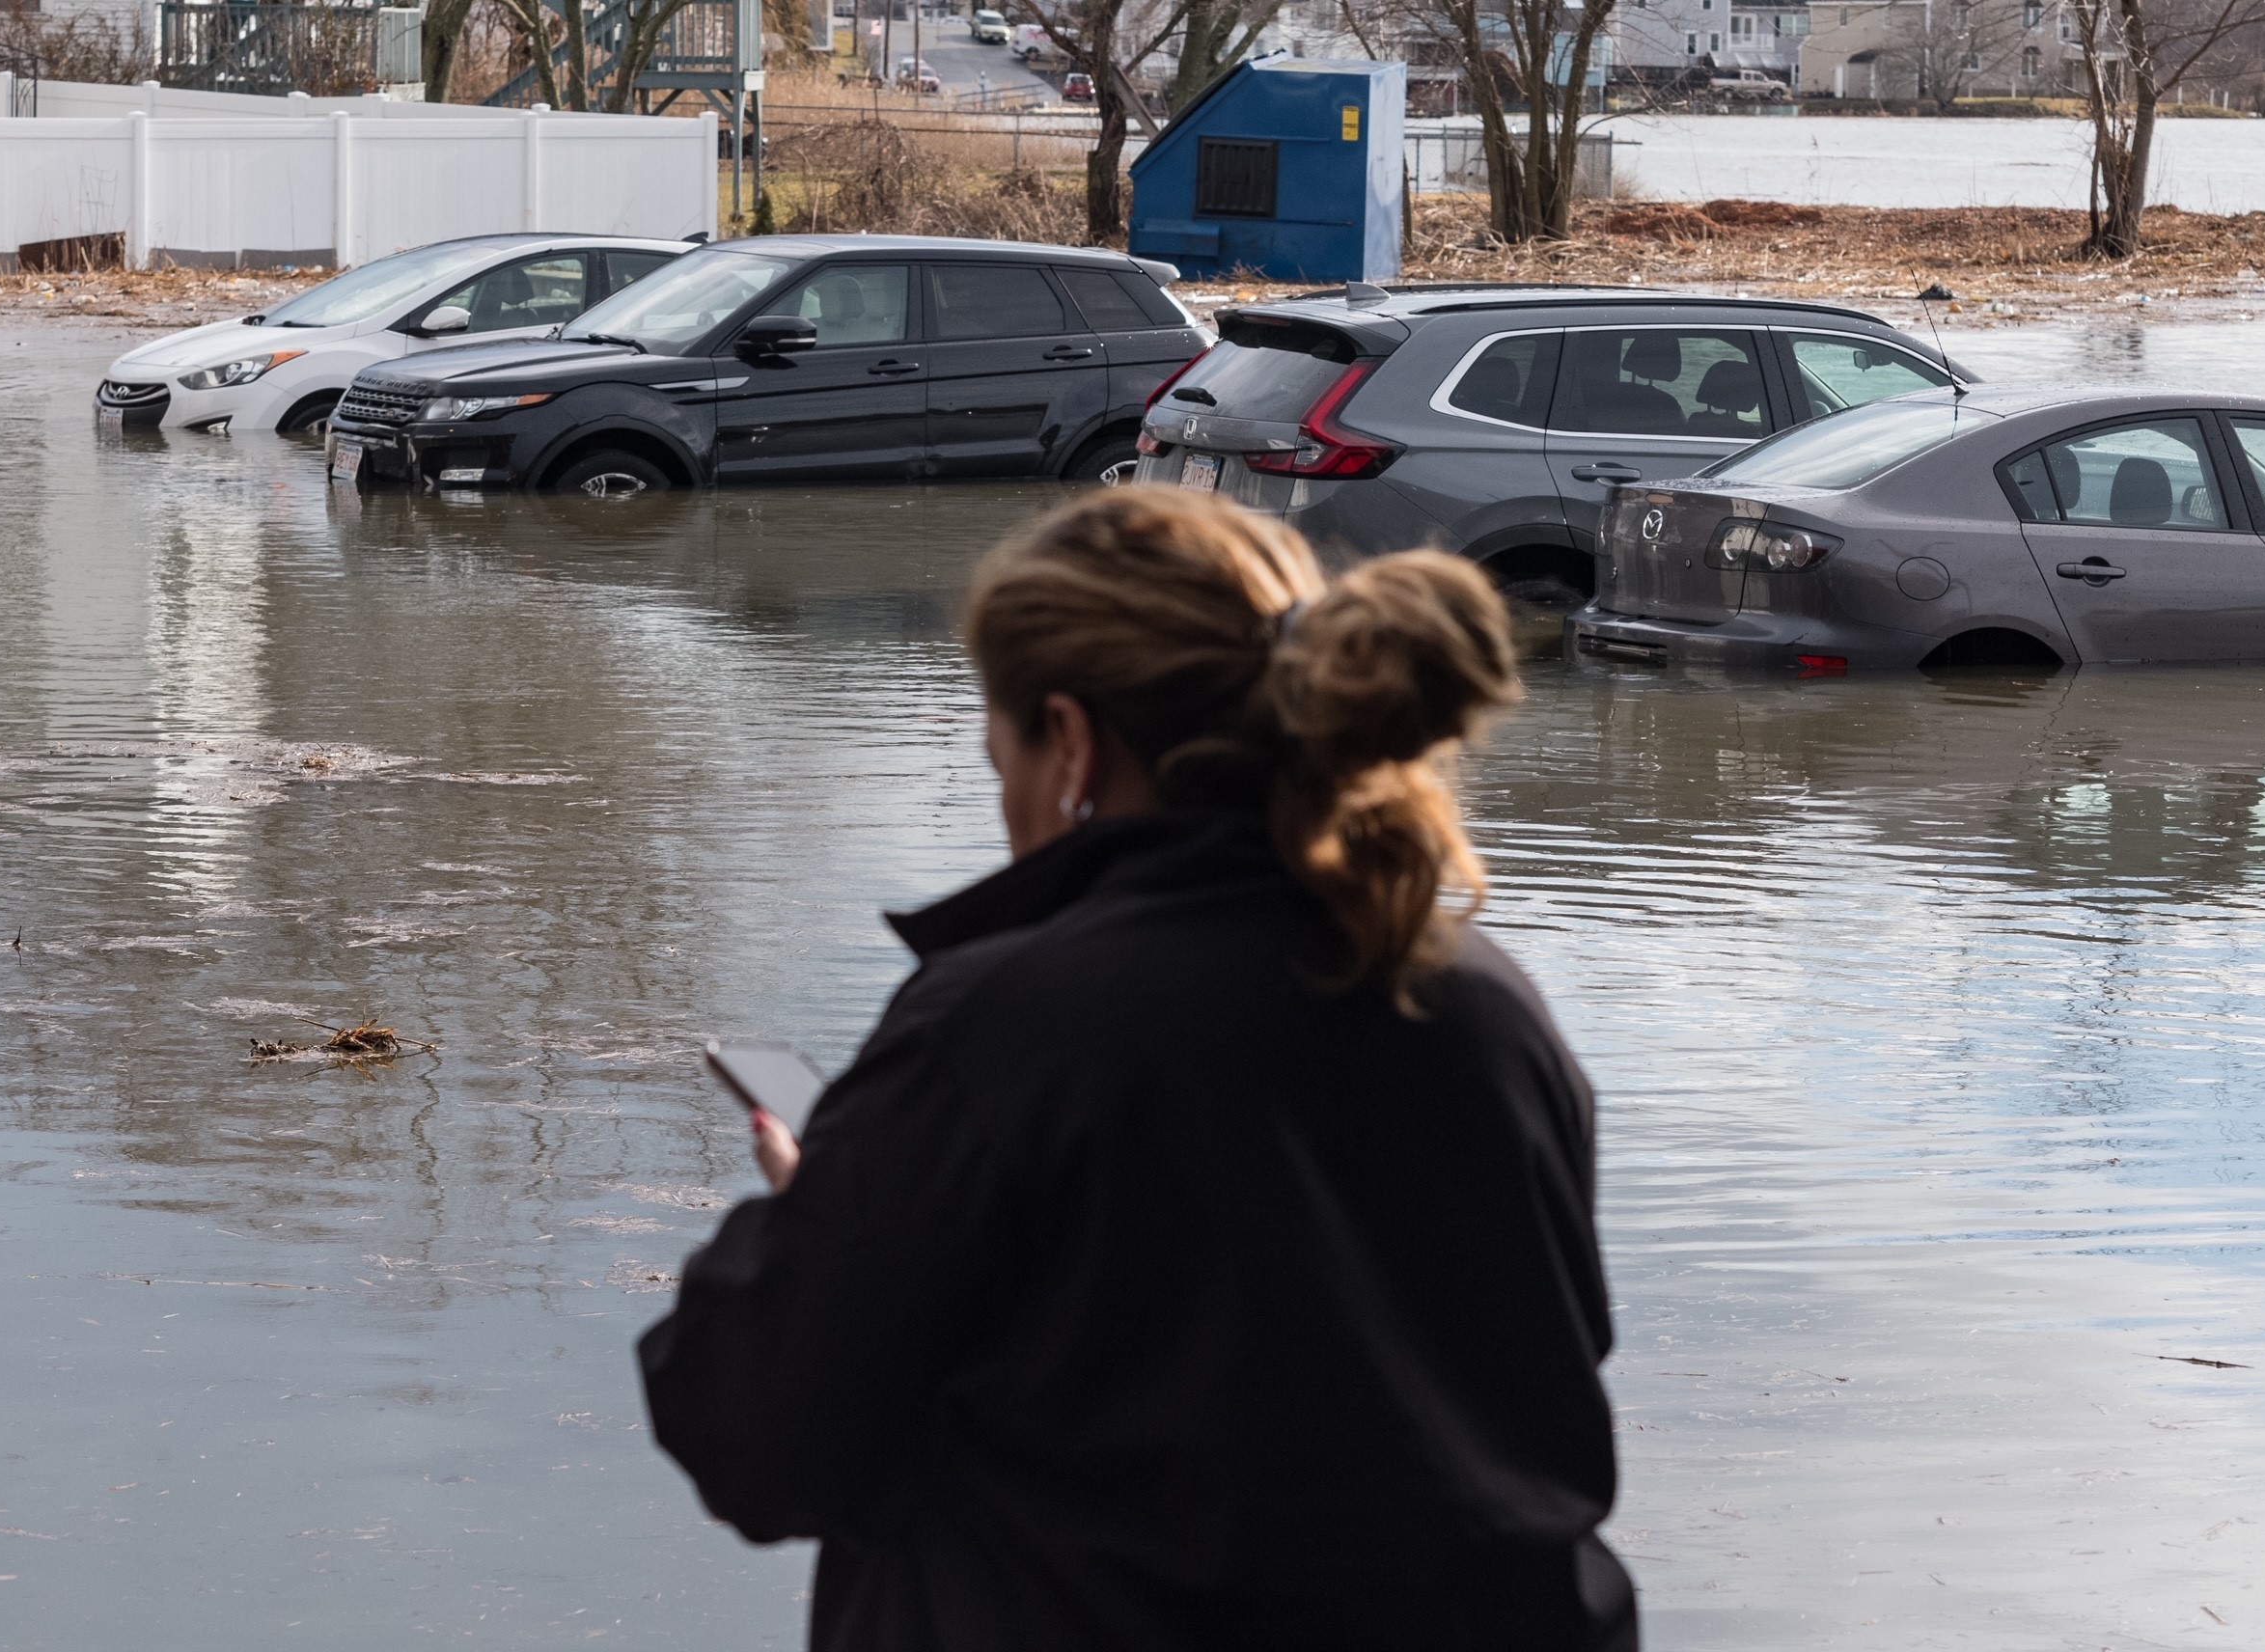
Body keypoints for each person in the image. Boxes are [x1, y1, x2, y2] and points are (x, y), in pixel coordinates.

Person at [639, 488, 1635, 1651]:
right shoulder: (1479, 997)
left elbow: (758, 1435)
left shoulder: (1007, 1027)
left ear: (1069, 741)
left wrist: (828, 1205)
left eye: (996, 750)